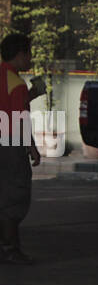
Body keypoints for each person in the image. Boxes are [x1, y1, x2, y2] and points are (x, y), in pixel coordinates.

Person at [0, 33, 45, 265]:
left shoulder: (6, 78)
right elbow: (19, 119)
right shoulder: (16, 83)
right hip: (10, 145)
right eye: (29, 53)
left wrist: (31, 95)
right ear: (20, 55)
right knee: (15, 194)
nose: (31, 58)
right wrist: (32, 147)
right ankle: (10, 248)